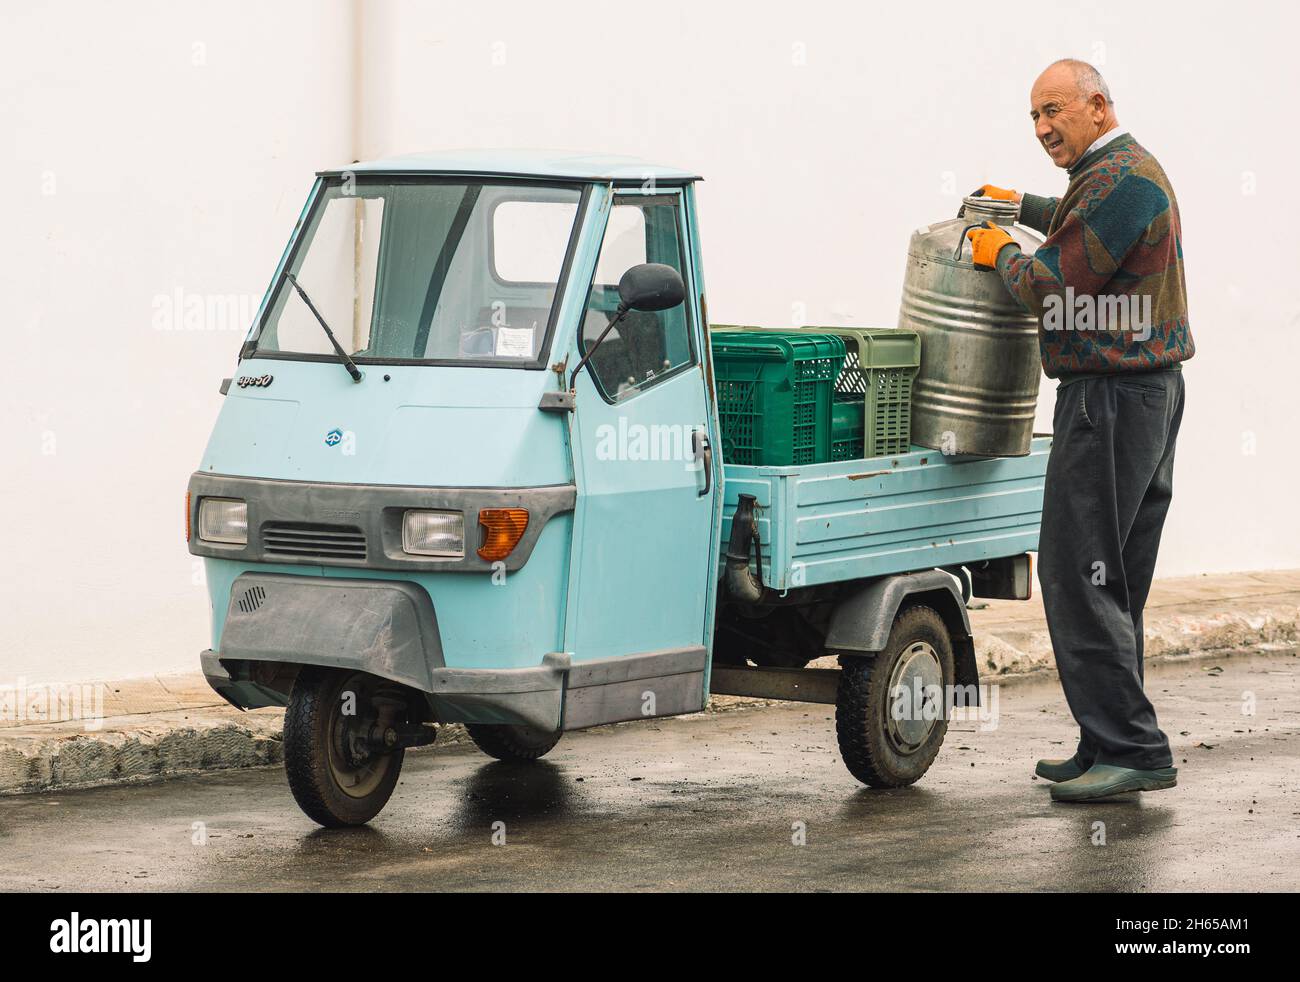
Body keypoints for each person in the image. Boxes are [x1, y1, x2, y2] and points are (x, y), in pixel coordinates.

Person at [964, 59, 1196, 802]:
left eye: (1054, 111)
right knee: (1115, 577)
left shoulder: (1122, 181)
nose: (1042, 129)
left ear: (1098, 106)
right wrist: (1020, 203)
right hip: (1143, 395)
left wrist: (998, 247)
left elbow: (1051, 285)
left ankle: (1136, 748)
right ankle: (1106, 740)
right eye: (1033, 117)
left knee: (1077, 573)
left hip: (1111, 398)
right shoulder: (1118, 173)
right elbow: (1083, 219)